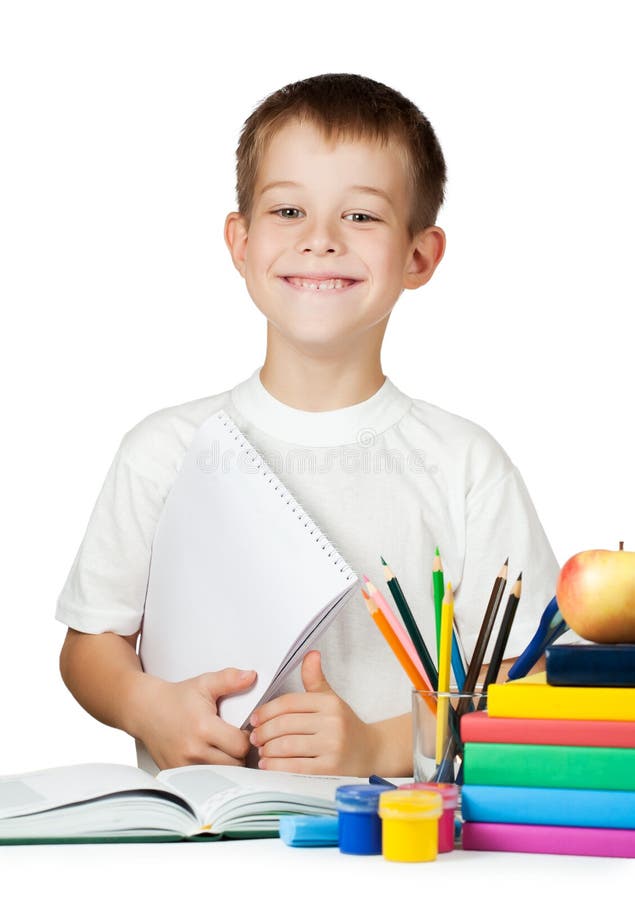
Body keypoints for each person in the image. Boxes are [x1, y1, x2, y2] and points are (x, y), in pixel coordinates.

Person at [56, 72, 560, 778]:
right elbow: (90, 644)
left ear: (419, 256)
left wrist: (378, 746)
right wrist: (146, 707)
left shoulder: (463, 464)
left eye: (360, 216)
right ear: (239, 241)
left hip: (402, 856)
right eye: (288, 211)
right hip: (197, 857)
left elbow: (525, 683)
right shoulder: (163, 450)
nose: (319, 241)